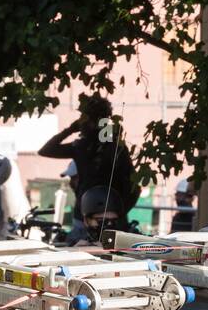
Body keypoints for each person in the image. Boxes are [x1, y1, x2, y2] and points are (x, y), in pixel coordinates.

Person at [38, 94, 138, 223]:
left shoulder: (88, 147)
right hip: (95, 216)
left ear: (94, 121)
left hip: (100, 217)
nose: (81, 122)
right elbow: (46, 151)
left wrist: (70, 130)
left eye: (83, 118)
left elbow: (46, 150)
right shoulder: (105, 146)